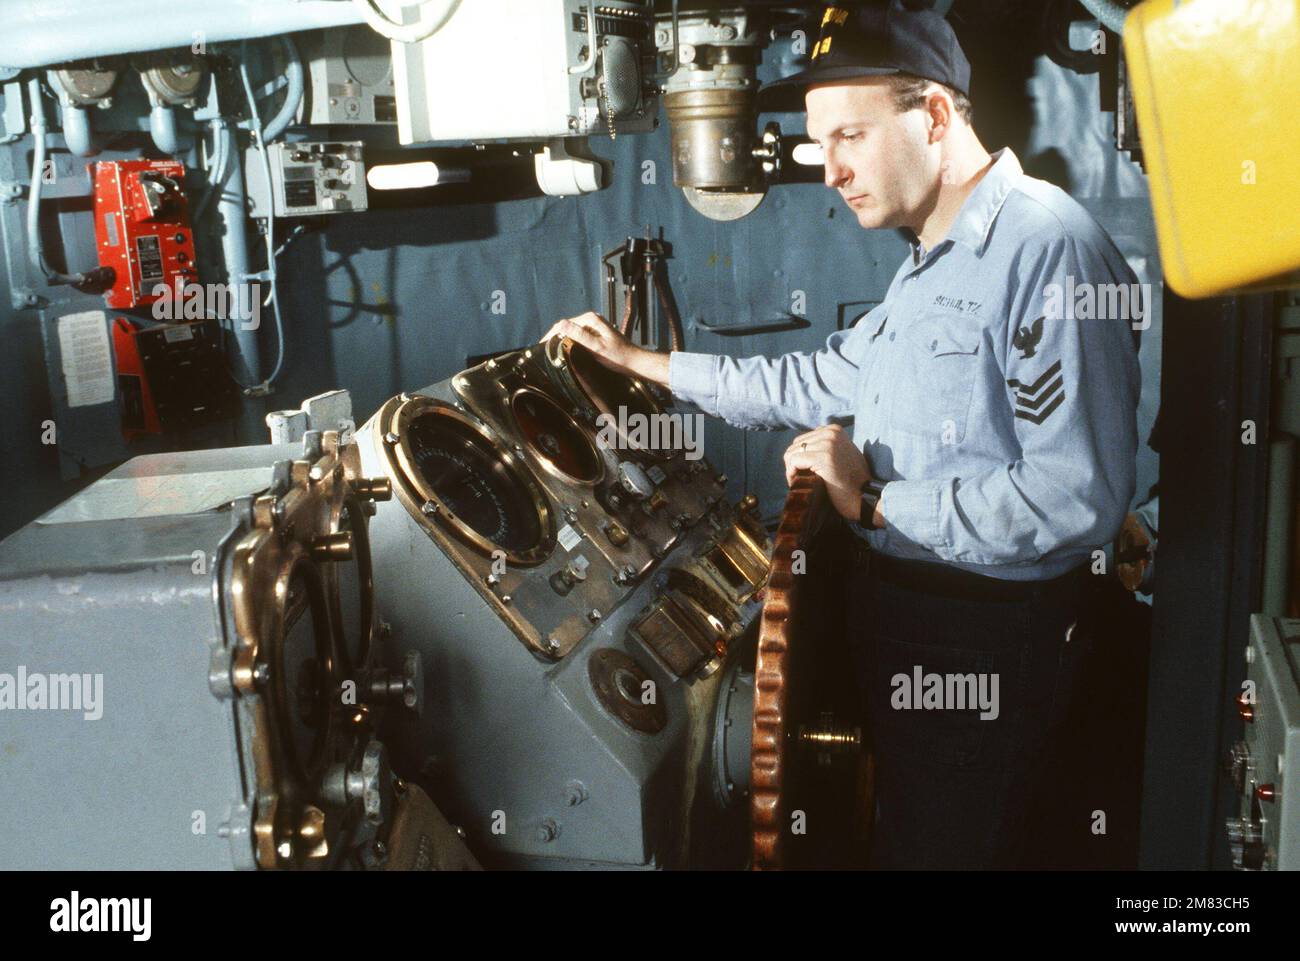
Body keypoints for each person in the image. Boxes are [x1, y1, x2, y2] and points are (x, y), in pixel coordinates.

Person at [544, 1, 1140, 869]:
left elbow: (1075, 495)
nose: (829, 171)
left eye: (849, 138)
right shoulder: (930, 261)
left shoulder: (1045, 248)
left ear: (934, 115)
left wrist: (876, 505)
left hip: (982, 645)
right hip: (917, 632)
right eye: (822, 143)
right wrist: (647, 364)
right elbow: (817, 379)